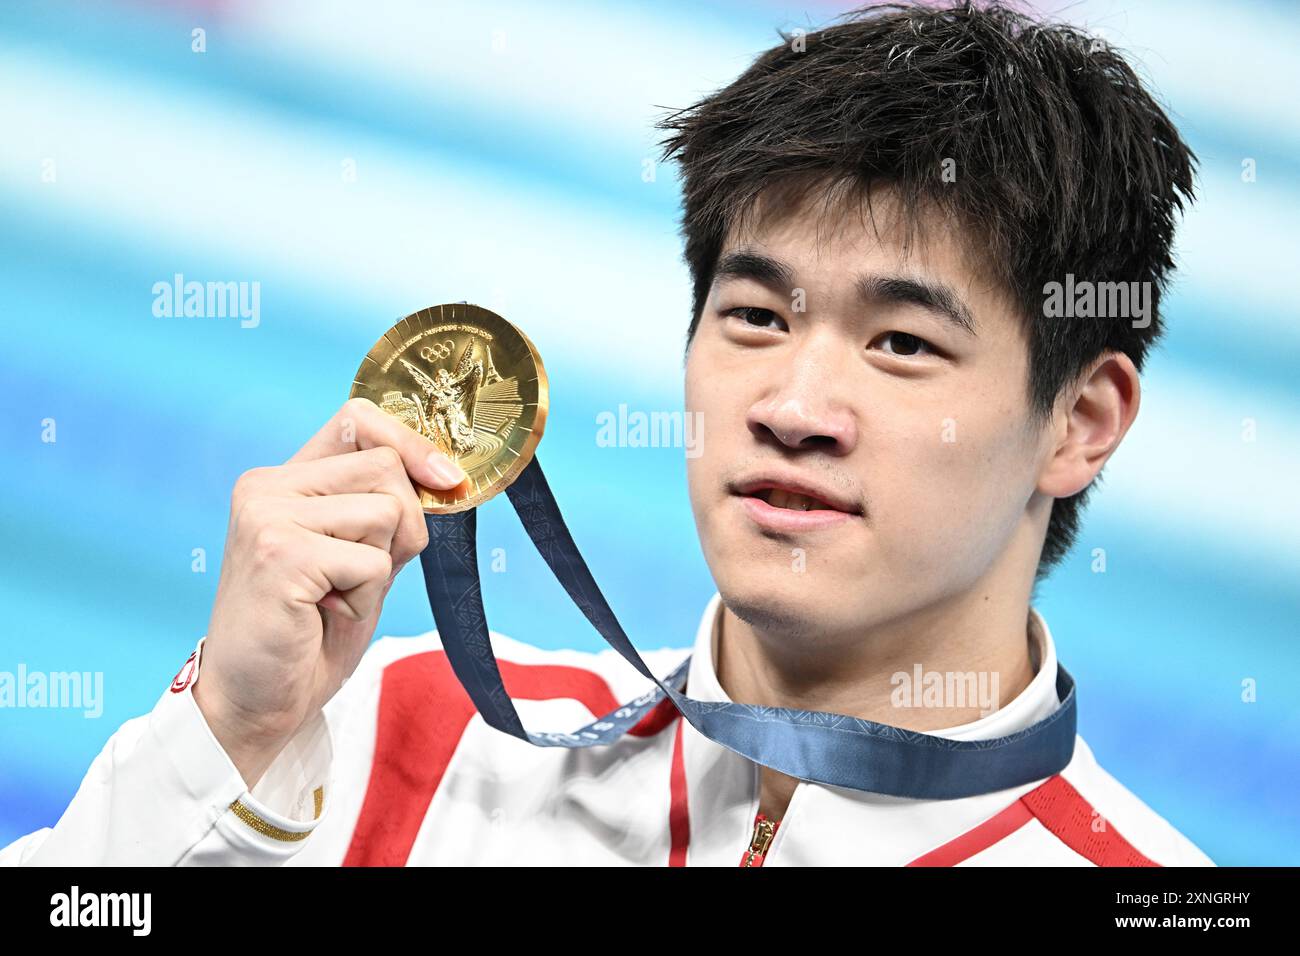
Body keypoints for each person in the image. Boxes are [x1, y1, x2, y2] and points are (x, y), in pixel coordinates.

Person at [1, 0, 1213, 866]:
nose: (791, 407)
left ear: (1080, 421)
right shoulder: (393, 734)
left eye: (901, 343)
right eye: (752, 313)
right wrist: (225, 740)